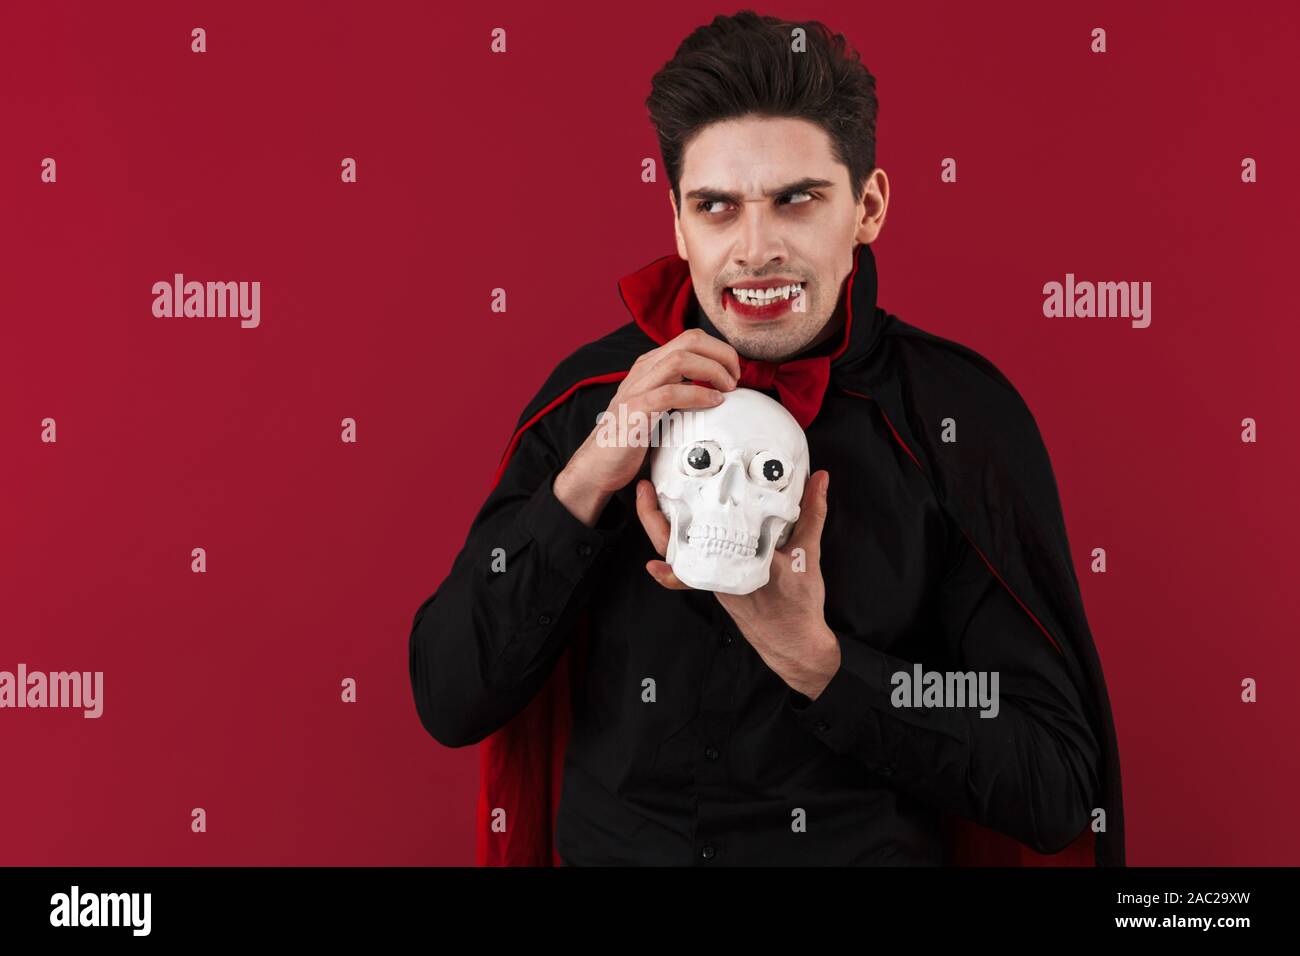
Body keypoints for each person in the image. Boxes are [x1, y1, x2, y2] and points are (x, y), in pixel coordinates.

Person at [409, 10, 1124, 866]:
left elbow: (1053, 779)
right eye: (717, 207)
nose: (756, 250)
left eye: (797, 199)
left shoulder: (958, 420)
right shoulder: (591, 401)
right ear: (677, 224)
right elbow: (450, 697)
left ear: (867, 206)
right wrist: (586, 479)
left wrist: (823, 664)